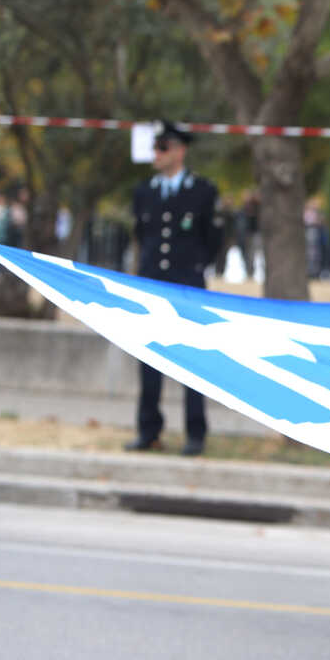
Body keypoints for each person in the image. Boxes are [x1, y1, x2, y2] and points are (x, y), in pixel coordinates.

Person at [126, 119, 222, 456]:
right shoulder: (144, 193)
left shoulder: (203, 192)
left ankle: (196, 433)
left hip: (187, 285)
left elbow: (213, 241)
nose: (156, 154)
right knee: (149, 358)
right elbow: (143, 236)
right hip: (152, 283)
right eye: (154, 147)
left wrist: (192, 268)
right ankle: (148, 430)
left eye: (162, 147)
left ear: (180, 151)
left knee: (193, 360)